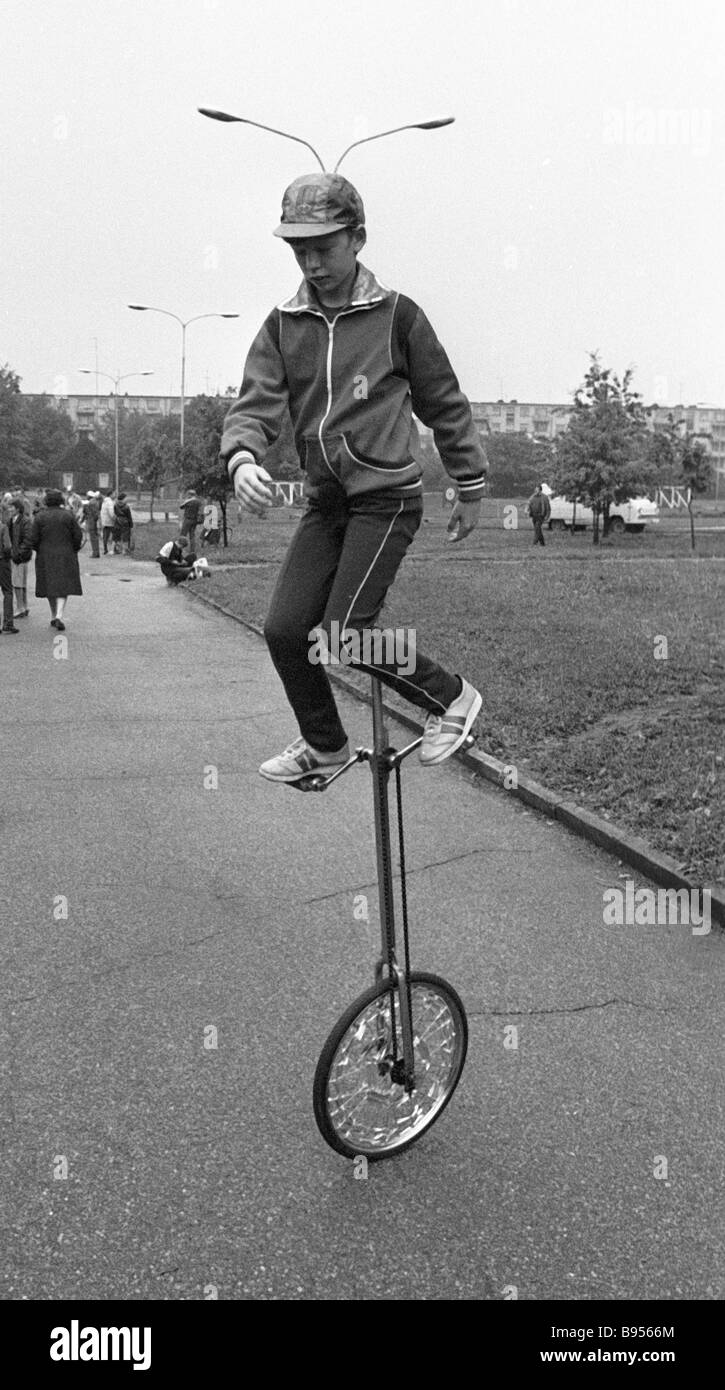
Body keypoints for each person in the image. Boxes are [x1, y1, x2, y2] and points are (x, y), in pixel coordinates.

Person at [220, 170, 487, 784]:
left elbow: (443, 401)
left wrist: (469, 483)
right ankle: (326, 746)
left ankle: (451, 700)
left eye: (324, 246)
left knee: (346, 635)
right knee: (285, 629)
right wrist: (242, 459)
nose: (311, 261)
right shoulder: (284, 324)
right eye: (298, 249)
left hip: (387, 499)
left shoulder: (398, 317)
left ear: (358, 238)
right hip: (327, 502)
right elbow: (255, 402)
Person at [29, 489, 83, 630]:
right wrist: (74, 549)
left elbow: (33, 538)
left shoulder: (40, 517)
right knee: (63, 586)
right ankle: (59, 615)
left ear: (46, 501)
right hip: (66, 554)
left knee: (49, 586)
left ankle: (53, 615)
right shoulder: (68, 515)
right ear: (61, 500)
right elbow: (78, 536)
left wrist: (38, 549)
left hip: (45, 554)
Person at [9, 494, 33, 618]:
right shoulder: (13, 520)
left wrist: (18, 554)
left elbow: (28, 540)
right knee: (21, 582)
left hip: (19, 557)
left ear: (18, 508)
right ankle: (24, 606)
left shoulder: (24, 521)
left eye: (11, 507)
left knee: (17, 583)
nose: (10, 509)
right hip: (19, 556)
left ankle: (20, 608)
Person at [0, 496, 20, 634]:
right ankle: (7, 622)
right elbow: (7, 546)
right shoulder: (3, 527)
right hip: (2, 561)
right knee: (7, 591)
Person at [82, 490, 101, 557]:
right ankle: (96, 552)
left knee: (93, 538)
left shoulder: (91, 502)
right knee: (95, 537)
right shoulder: (95, 501)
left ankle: (95, 553)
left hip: (92, 521)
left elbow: (93, 513)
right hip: (94, 521)